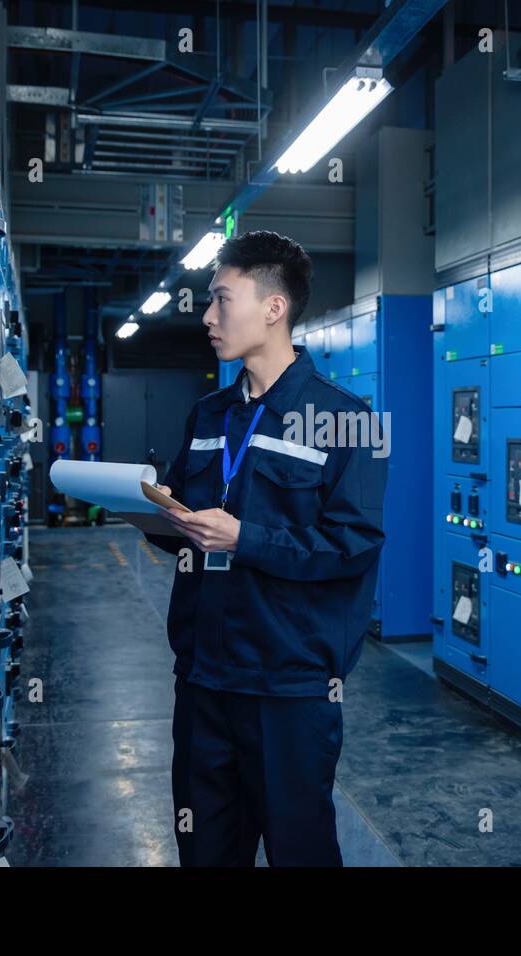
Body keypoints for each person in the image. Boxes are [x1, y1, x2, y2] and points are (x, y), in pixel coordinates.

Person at [144, 230, 387, 866]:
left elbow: (352, 546)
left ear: (273, 309)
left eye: (222, 300)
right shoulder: (208, 415)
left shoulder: (345, 421)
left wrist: (244, 538)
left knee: (298, 851)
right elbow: (184, 527)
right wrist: (152, 511)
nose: (207, 316)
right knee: (205, 853)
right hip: (203, 680)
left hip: (288, 690)